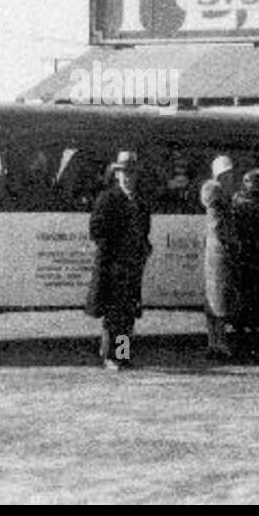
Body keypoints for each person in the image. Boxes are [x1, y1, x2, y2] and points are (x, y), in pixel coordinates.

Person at [85, 151, 152, 370]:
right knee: (114, 315)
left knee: (127, 316)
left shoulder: (141, 202)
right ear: (116, 175)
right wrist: (113, 246)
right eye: (123, 173)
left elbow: (144, 232)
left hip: (132, 267)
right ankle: (111, 357)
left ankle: (122, 355)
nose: (126, 177)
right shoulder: (107, 198)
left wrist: (144, 247)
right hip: (113, 266)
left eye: (130, 173)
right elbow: (95, 230)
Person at [200, 155, 238, 359]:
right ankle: (219, 343)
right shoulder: (220, 200)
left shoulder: (219, 199)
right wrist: (234, 243)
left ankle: (215, 342)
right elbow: (220, 229)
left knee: (215, 300)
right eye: (227, 175)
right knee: (219, 300)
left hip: (214, 254)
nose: (230, 179)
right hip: (220, 254)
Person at [232, 167, 259, 352]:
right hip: (258, 256)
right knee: (255, 299)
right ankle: (255, 338)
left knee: (247, 297)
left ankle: (244, 337)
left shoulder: (237, 201)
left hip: (247, 255)